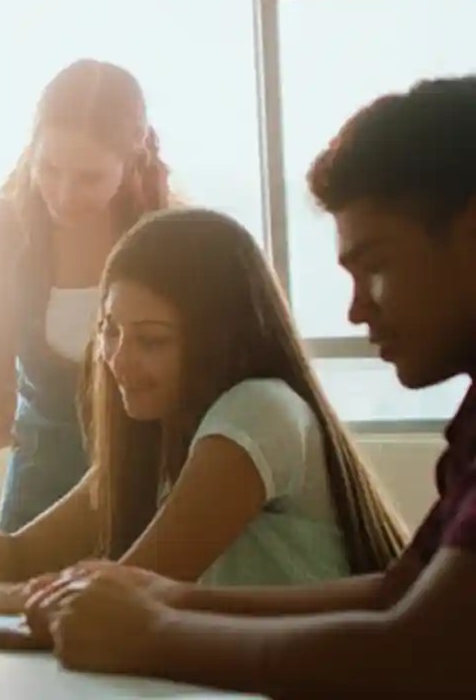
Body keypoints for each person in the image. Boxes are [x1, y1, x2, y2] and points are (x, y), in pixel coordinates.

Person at [31, 76, 476, 697]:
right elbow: (400, 592)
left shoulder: (256, 409)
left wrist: (160, 630)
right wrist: (172, 602)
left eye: (377, 267)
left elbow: (424, 652)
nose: (355, 312)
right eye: (111, 333)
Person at [0, 208, 404, 595]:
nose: (117, 359)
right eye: (110, 330)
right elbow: (17, 562)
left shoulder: (259, 410)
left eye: (152, 340)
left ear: (218, 338)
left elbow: (124, 599)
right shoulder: (154, 437)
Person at [0, 59, 172, 532]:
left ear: (132, 162)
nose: (64, 194)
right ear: (31, 148)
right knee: (17, 602)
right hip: (40, 489)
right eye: (50, 168)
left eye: (90, 178)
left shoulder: (168, 239)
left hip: (153, 484)